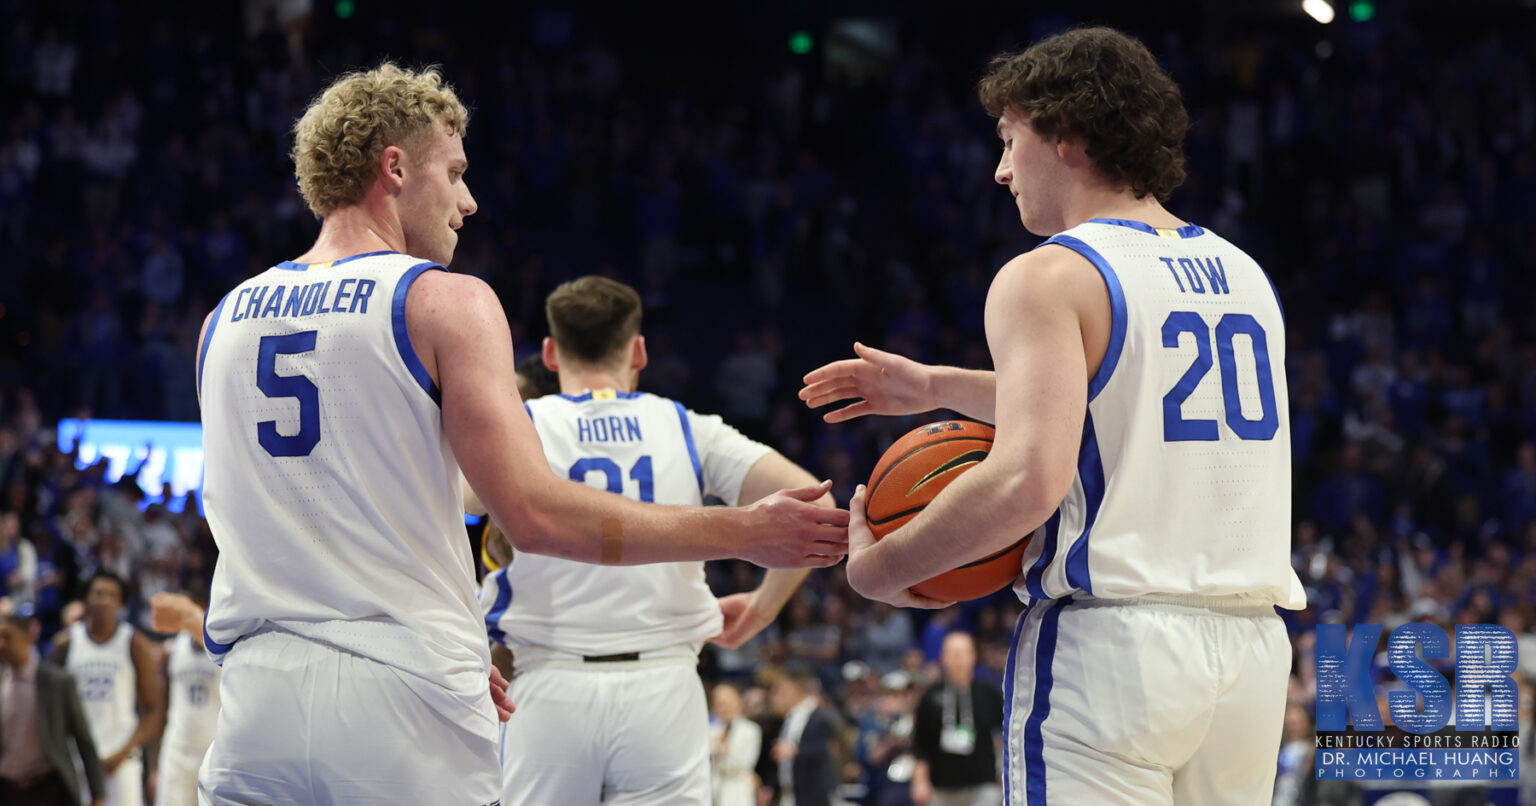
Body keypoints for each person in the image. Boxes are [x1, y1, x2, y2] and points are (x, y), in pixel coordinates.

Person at [194, 62, 846, 805]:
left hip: (256, 701)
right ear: (396, 167)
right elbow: (534, 517)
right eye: (456, 171)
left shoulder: (224, 320)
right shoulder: (443, 301)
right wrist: (743, 533)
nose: (468, 201)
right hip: (400, 704)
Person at [800, 27, 1304, 805]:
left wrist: (880, 569)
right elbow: (1117, 402)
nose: (1001, 171)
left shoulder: (1048, 275)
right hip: (1251, 654)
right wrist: (936, 384)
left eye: (1010, 140)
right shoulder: (1245, 275)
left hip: (1113, 650)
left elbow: (1028, 483)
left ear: (1065, 133)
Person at [470, 276, 828, 805]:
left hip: (549, 685)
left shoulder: (522, 425)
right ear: (639, 350)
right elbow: (817, 505)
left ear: (549, 353)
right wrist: (762, 605)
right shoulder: (685, 426)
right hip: (664, 686)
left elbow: (436, 505)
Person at [50, 571, 164, 806]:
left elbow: (154, 712)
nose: (106, 600)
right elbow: (50, 708)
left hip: (121, 760)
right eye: (99, 593)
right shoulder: (66, 643)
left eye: (113, 595)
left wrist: (123, 752)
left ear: (121, 602)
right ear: (86, 599)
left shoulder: (134, 642)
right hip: (78, 760)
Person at [0, 611, 107, 806]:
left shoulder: (57, 682)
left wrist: (98, 795)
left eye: (7, 637)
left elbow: (84, 741)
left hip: (48, 788)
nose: (1, 644)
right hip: (7, 790)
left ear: (27, 637)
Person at [910, 633, 1003, 806]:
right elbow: (920, 743)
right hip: (941, 785)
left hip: (982, 783)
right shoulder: (931, 695)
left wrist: (1003, 774)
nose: (957, 658)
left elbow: (1004, 735)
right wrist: (919, 781)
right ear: (943, 657)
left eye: (962, 652)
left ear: (973, 656)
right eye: (952, 652)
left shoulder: (988, 693)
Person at [146, 593, 219, 806]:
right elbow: (161, 709)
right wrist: (154, 767)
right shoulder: (171, 650)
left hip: (213, 752)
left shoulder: (226, 648)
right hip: (177, 751)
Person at [769, 668, 840, 806]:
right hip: (790, 793)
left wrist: (796, 750)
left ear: (795, 689)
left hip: (813, 793)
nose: (776, 696)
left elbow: (827, 748)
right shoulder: (788, 718)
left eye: (781, 690)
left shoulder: (821, 716)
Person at [709, 682, 761, 806]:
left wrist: (721, 749)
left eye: (727, 702)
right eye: (719, 703)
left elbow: (743, 763)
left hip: (738, 790)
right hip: (714, 788)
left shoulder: (750, 730)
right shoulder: (711, 730)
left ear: (738, 701)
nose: (724, 707)